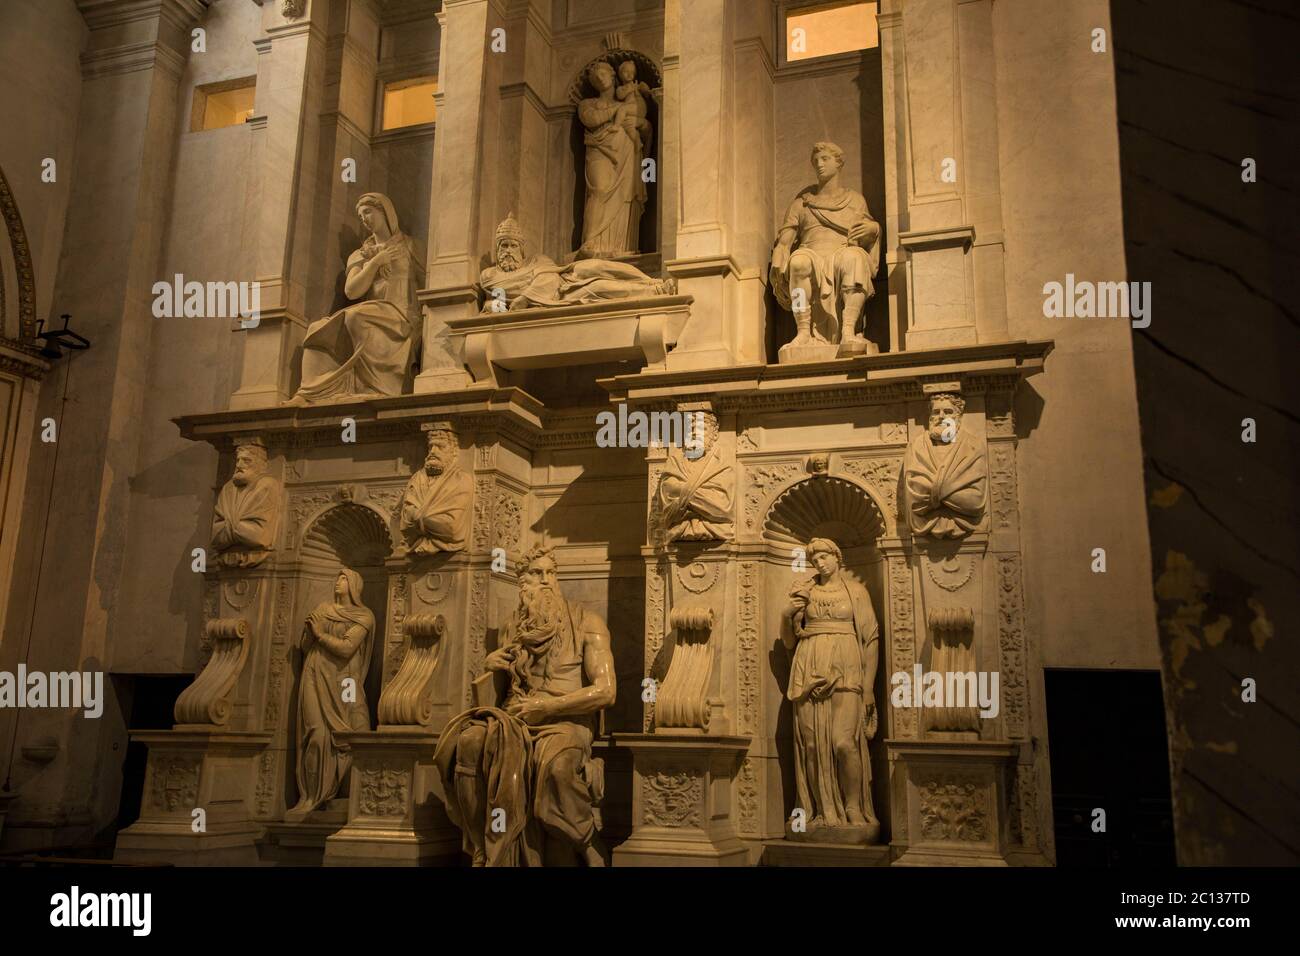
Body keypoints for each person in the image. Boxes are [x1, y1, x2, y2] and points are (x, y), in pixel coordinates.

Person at [433, 546, 616, 866]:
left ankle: (588, 842)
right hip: (514, 719)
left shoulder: (588, 622)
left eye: (550, 574)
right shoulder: (511, 628)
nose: (545, 581)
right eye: (536, 574)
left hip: (566, 722)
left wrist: (548, 709)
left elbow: (605, 692)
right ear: (522, 583)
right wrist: (490, 666)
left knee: (556, 768)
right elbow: (497, 692)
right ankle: (486, 845)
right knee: (468, 743)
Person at [781, 537, 879, 836]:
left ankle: (852, 805)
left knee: (843, 742)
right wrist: (788, 613)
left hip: (846, 670)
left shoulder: (857, 591)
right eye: (814, 559)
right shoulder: (804, 593)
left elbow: (871, 638)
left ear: (837, 557)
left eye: (824, 556)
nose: (819, 563)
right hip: (808, 668)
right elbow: (789, 640)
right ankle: (818, 810)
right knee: (811, 746)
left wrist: (869, 686)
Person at [287, 193, 424, 404]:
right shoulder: (360, 254)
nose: (365, 219)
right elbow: (352, 291)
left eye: (369, 212)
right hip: (376, 310)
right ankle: (310, 393)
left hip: (402, 313)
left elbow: (428, 282)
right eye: (361, 217)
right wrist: (375, 262)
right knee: (317, 327)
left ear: (385, 212)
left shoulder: (411, 247)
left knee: (357, 317)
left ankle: (375, 387)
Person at [770, 142, 881, 352]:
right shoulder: (801, 203)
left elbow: (868, 233)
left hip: (842, 251)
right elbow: (785, 241)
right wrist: (780, 255)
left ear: (839, 163)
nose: (819, 164)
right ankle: (803, 331)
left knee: (853, 258)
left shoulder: (855, 201)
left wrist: (873, 229)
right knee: (799, 261)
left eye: (825, 159)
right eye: (815, 161)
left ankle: (848, 330)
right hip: (810, 251)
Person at [285, 569, 373, 821]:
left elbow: (346, 649)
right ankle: (310, 797)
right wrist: (308, 634)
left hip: (345, 681)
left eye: (344, 578)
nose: (338, 581)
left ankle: (348, 796)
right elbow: (305, 647)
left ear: (355, 585)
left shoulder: (363, 615)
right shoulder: (322, 609)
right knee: (316, 734)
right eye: (337, 577)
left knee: (355, 731)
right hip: (315, 675)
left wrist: (320, 634)